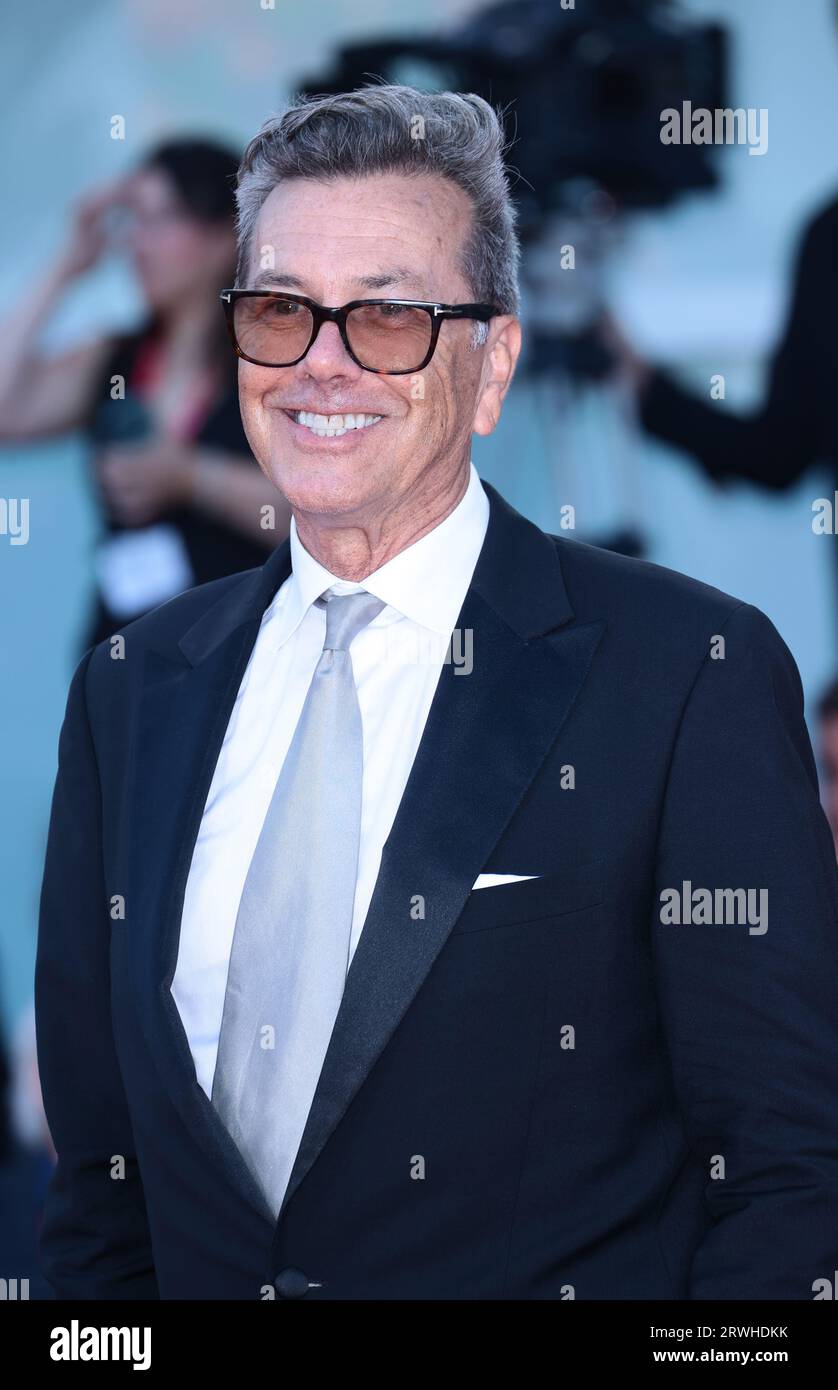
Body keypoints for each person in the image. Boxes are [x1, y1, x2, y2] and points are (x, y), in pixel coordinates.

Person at [35, 85, 838, 1301]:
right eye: (282, 308)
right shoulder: (130, 691)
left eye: (392, 316)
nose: (322, 361)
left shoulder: (687, 675)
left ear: (493, 362)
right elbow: (101, 1197)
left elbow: (783, 1172)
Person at [0, 138, 290, 649]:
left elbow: (321, 518)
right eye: (132, 220)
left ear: (222, 236)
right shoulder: (116, 355)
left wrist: (189, 477)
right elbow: (6, 412)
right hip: (119, 658)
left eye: (160, 220)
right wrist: (66, 264)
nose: (138, 241)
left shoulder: (273, 357)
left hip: (239, 660)